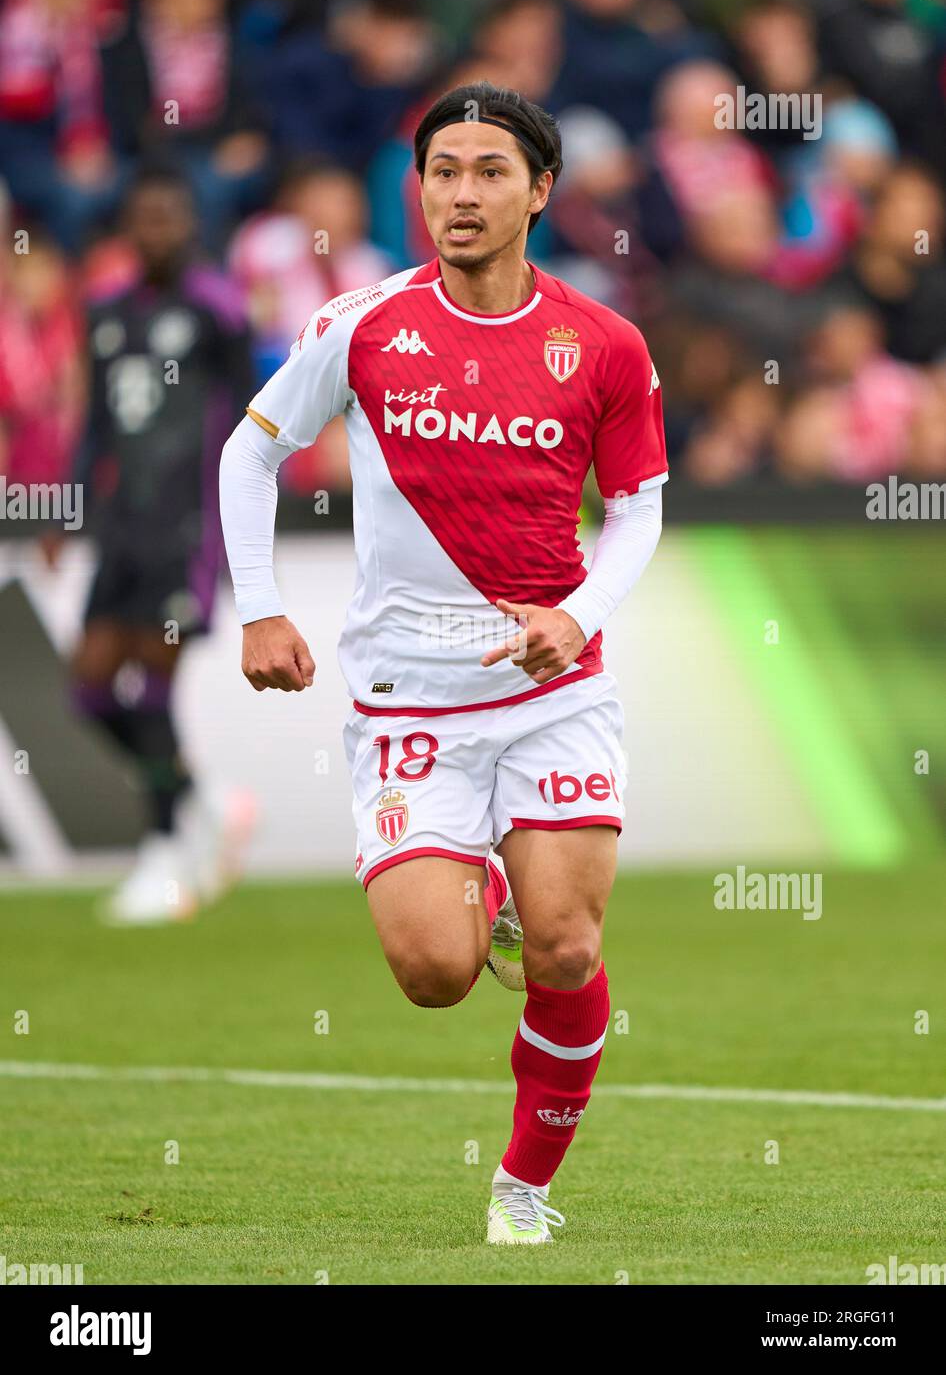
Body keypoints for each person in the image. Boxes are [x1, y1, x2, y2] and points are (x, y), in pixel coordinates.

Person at [218, 82, 667, 1244]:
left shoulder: (602, 341)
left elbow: (638, 508)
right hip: (408, 697)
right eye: (441, 172)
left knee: (570, 946)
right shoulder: (361, 323)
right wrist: (261, 610)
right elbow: (249, 452)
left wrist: (577, 611)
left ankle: (520, 1191)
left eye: (488, 173)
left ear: (540, 192)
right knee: (434, 972)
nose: (460, 195)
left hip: (552, 689)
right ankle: (494, 892)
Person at [71, 164, 256, 924]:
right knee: (88, 687)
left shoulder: (218, 312)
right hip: (123, 526)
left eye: (170, 217)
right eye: (144, 218)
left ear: (191, 225)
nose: (158, 231)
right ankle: (204, 799)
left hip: (190, 525)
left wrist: (249, 520)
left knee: (151, 684)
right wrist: (67, 508)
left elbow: (256, 421)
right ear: (128, 230)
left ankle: (160, 856)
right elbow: (96, 424)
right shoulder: (106, 314)